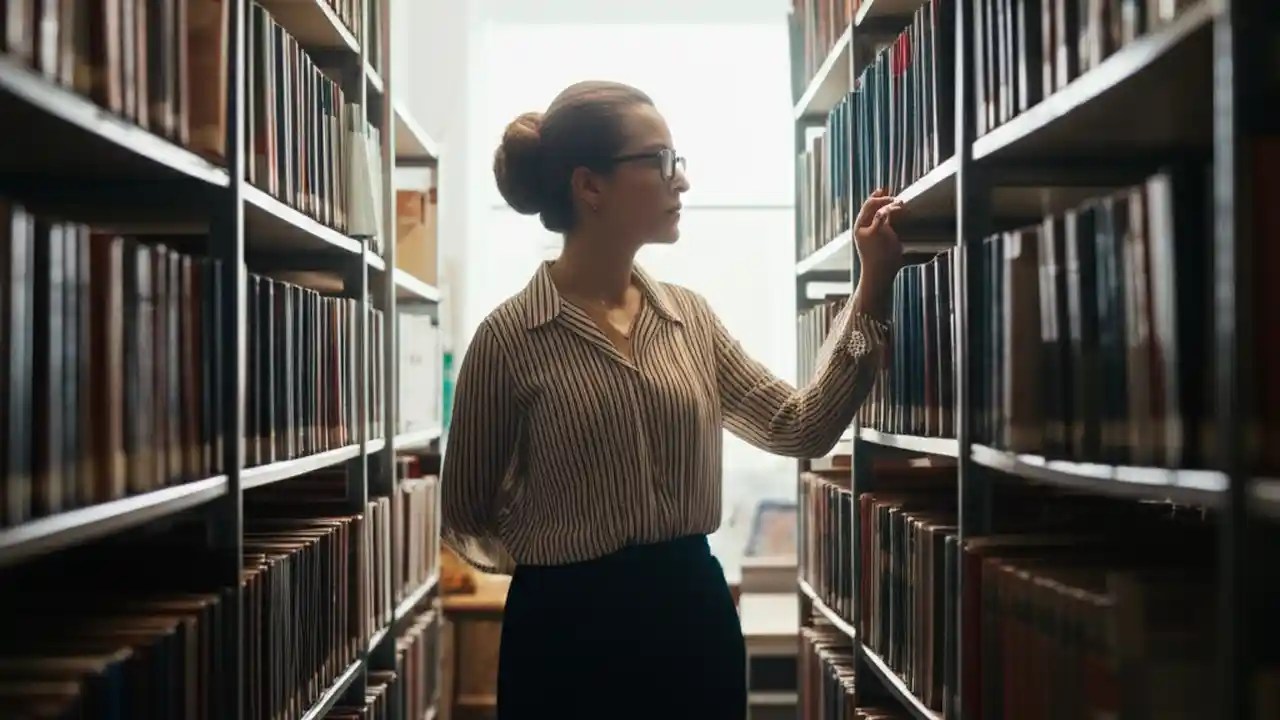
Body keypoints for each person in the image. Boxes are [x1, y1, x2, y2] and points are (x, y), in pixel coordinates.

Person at [440, 80, 904, 720]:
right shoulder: (507, 338)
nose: (680, 180)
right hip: (563, 634)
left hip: (690, 617)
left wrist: (872, 285)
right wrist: (560, 554)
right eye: (660, 161)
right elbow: (466, 512)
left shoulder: (691, 320)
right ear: (590, 186)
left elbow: (800, 427)